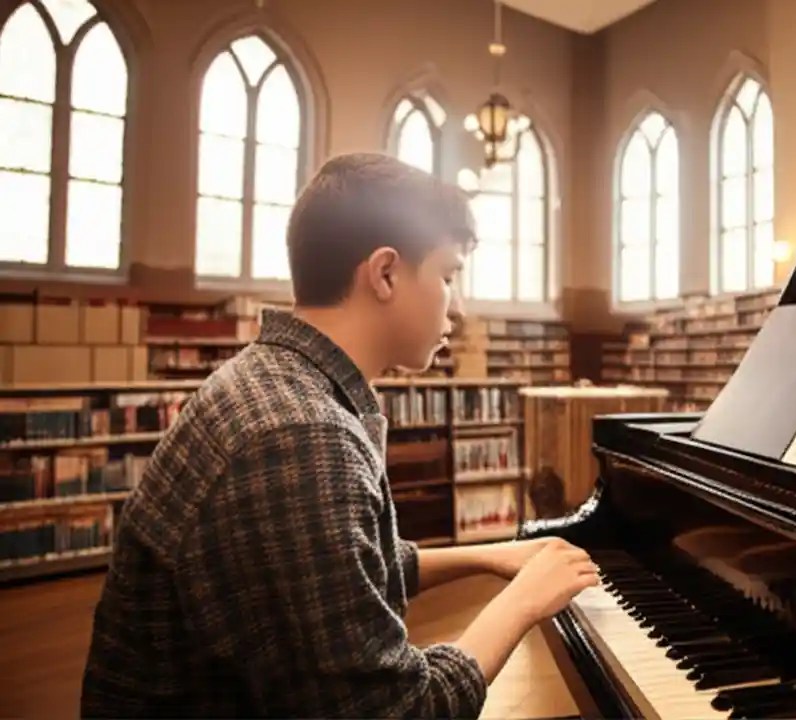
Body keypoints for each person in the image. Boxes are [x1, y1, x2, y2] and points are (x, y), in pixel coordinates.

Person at [81, 153, 600, 718]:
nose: (461, 307)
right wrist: (522, 601)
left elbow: (350, 572)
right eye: (449, 276)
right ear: (384, 274)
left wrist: (495, 554)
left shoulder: (277, 384)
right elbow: (393, 712)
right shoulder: (301, 435)